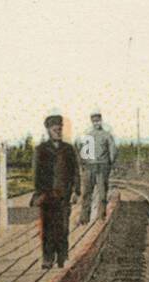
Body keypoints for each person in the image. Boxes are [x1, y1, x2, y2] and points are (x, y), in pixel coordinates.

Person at [31, 112, 80, 269]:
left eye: (60, 128)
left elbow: (75, 172)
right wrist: (39, 193)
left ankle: (62, 256)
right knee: (47, 228)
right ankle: (47, 257)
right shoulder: (41, 150)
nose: (58, 131)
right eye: (54, 129)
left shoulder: (69, 149)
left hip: (64, 195)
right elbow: (36, 173)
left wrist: (76, 191)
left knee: (63, 227)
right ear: (48, 130)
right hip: (47, 195)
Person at [77, 108, 117, 225]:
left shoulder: (107, 135)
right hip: (90, 167)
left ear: (101, 121)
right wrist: (84, 164)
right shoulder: (88, 136)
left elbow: (113, 151)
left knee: (102, 193)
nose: (96, 123)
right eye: (94, 121)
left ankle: (101, 217)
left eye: (98, 121)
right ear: (92, 122)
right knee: (87, 193)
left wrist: (109, 164)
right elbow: (84, 152)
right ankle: (84, 218)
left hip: (102, 167)